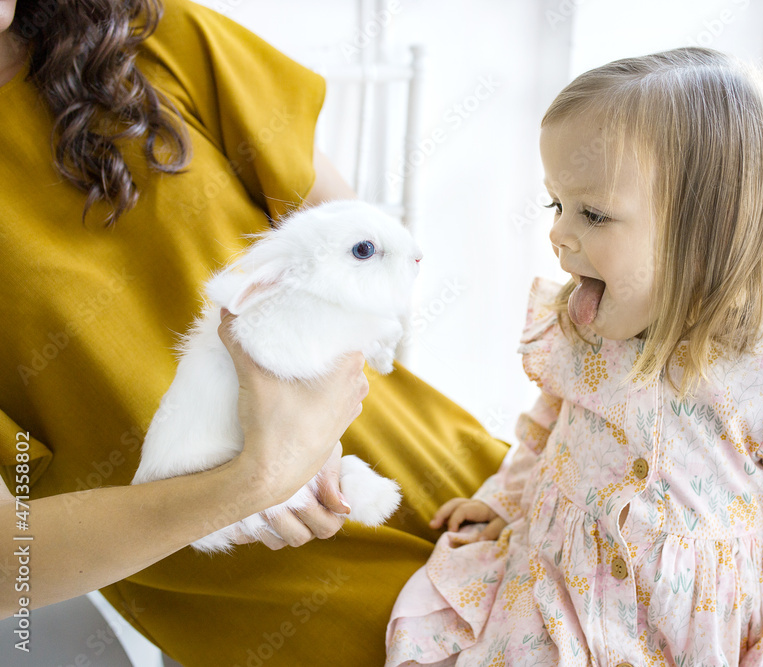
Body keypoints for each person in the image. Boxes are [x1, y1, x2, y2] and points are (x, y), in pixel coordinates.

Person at [0, 0, 507, 664]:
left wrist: (314, 423)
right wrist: (259, 477)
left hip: (424, 464)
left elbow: (345, 232)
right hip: (264, 594)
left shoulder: (145, 36)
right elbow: (11, 562)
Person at [385, 48, 763, 666]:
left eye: (592, 214)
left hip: (685, 633)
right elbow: (547, 427)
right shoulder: (586, 326)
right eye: (555, 205)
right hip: (559, 590)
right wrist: (504, 497)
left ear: (704, 234)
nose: (558, 233)